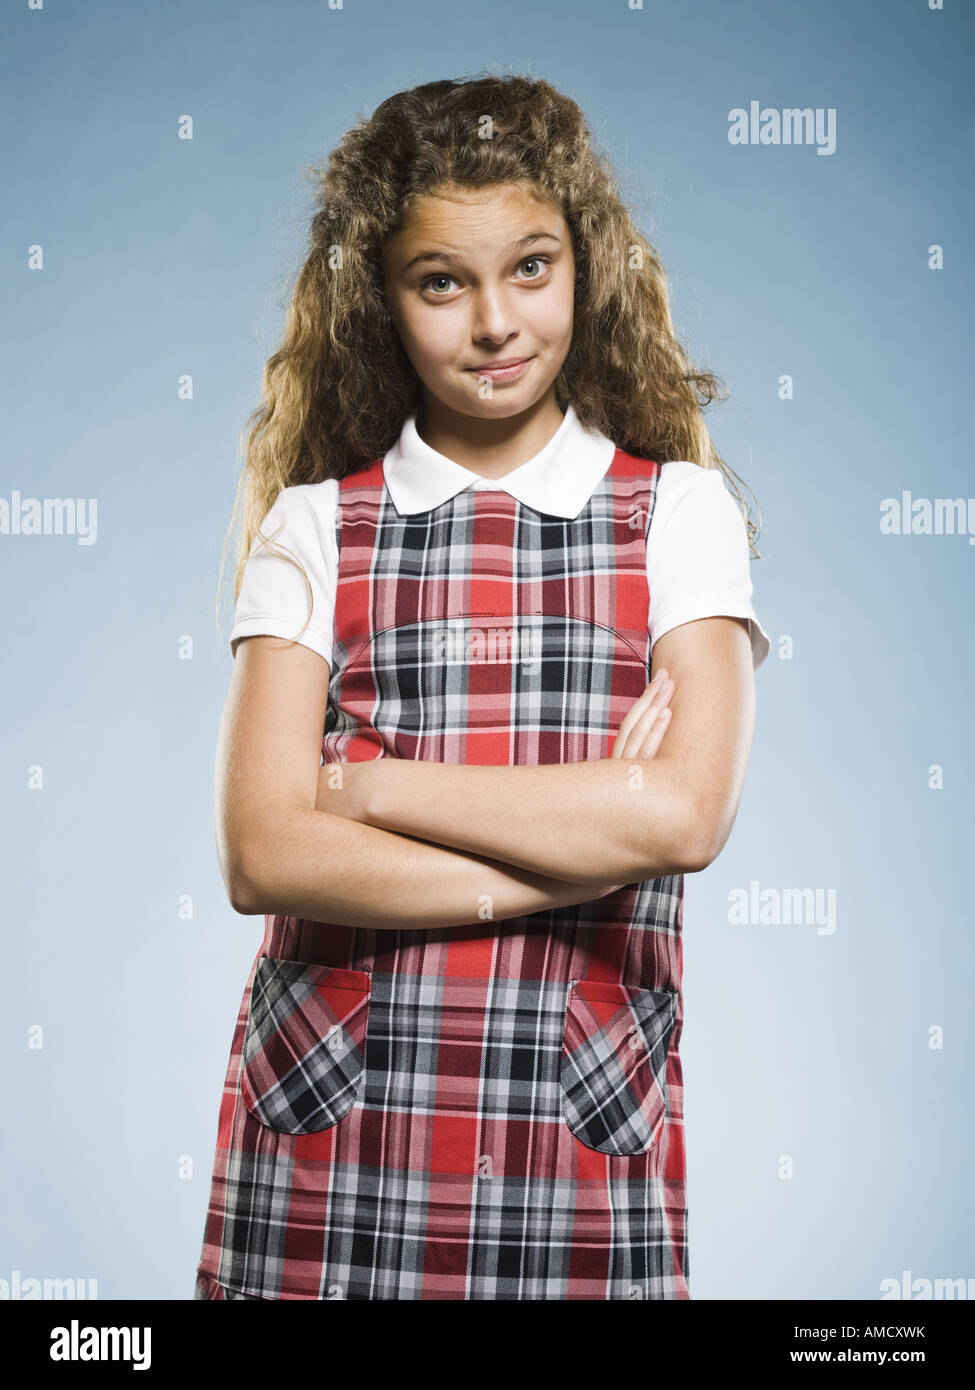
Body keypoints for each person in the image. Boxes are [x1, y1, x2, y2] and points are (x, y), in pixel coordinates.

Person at [194, 72, 770, 1302]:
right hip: (332, 1145)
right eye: (441, 280)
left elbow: (681, 818)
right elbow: (260, 850)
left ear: (585, 269)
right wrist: (574, 843)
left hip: (568, 1136)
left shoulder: (680, 513)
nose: (496, 321)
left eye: (532, 266)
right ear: (383, 299)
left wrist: (370, 786)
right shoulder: (315, 528)